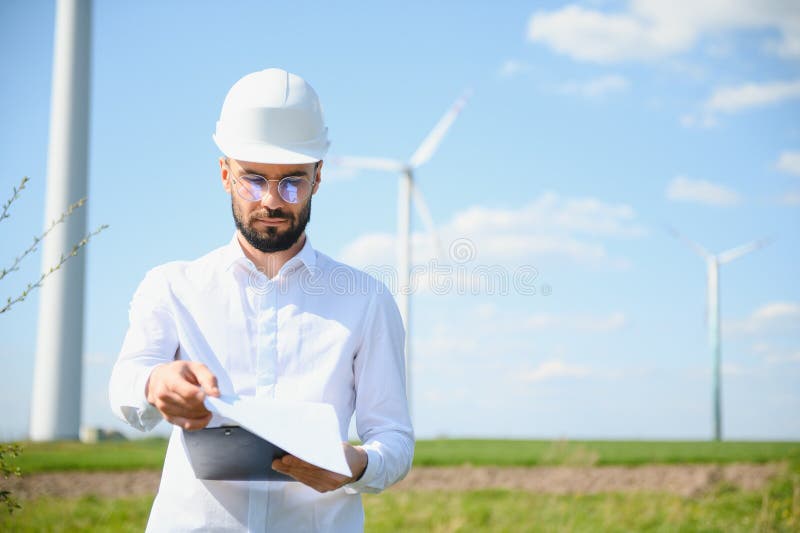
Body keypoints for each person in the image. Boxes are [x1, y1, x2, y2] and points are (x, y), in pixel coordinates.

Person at [109, 68, 414, 532]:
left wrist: (356, 466)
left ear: (318, 178)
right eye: (254, 180)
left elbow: (392, 437)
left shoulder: (366, 300)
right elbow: (125, 383)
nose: (272, 201)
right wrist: (156, 383)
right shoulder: (172, 286)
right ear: (225, 174)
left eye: (292, 182)